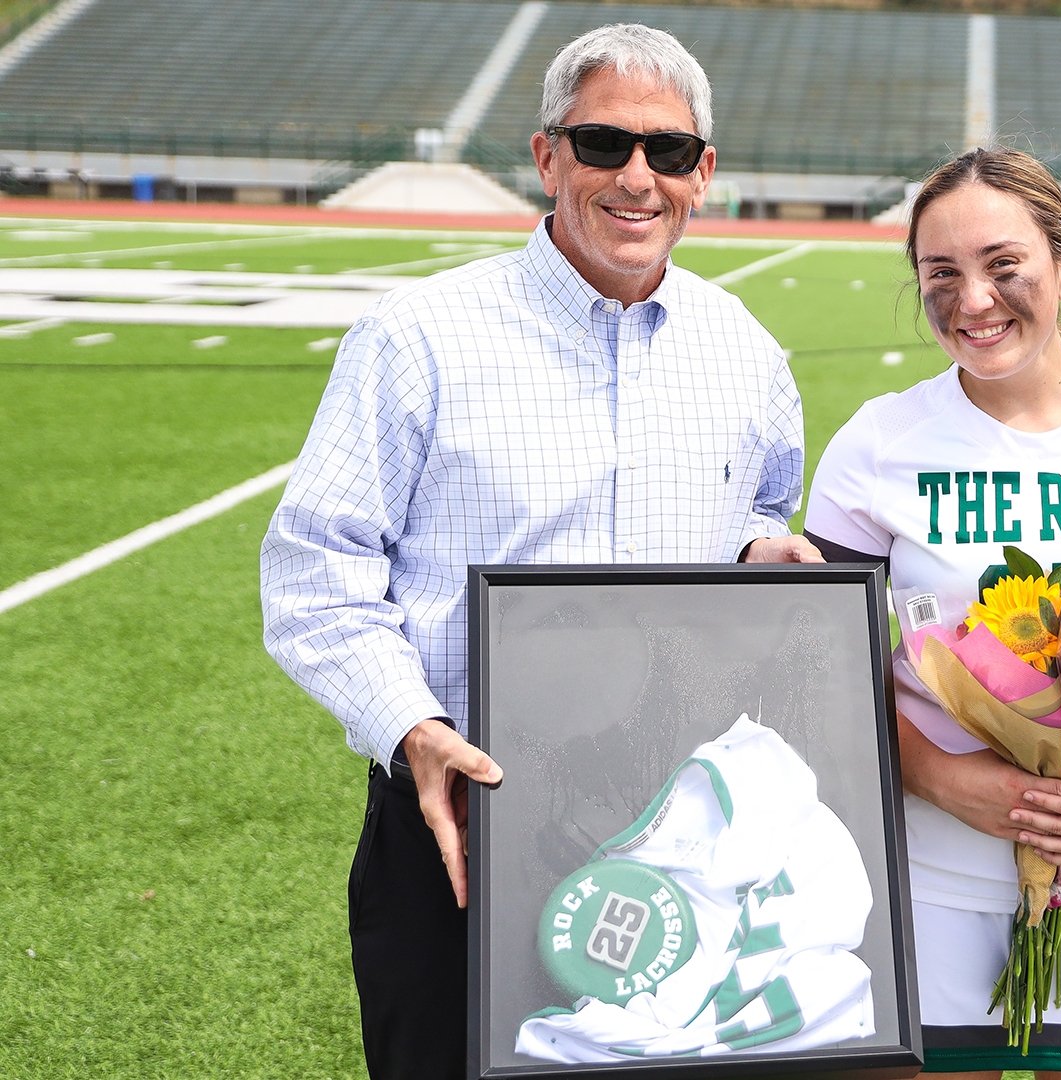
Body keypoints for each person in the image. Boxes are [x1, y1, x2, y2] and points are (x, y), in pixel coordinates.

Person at [260, 24, 819, 1080]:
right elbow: (314, 570)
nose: (636, 177)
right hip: (463, 818)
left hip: (677, 826)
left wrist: (762, 555)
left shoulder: (745, 349)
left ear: (705, 174)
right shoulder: (419, 335)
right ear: (549, 156)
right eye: (604, 143)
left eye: (668, 151)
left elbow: (761, 505)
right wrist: (413, 729)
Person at [803, 148, 1061, 1079]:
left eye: (1005, 266)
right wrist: (933, 775)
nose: (974, 300)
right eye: (941, 274)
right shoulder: (876, 445)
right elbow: (822, 668)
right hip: (932, 873)